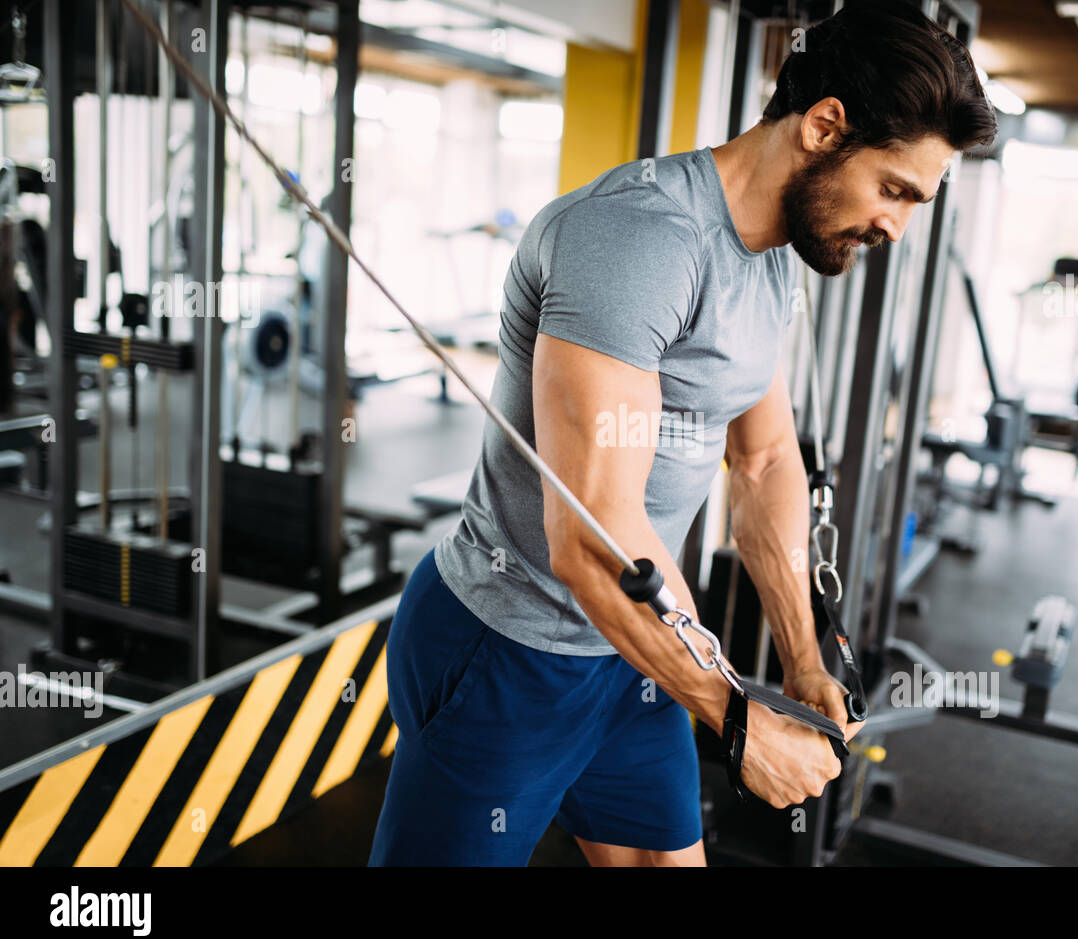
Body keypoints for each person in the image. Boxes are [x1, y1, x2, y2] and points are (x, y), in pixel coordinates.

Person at [369, 0, 997, 867]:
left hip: (637, 656)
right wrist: (740, 720)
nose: (896, 224)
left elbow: (767, 456)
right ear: (824, 127)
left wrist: (804, 658)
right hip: (513, 650)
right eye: (894, 189)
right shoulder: (638, 240)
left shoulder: (772, 256)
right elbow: (591, 539)